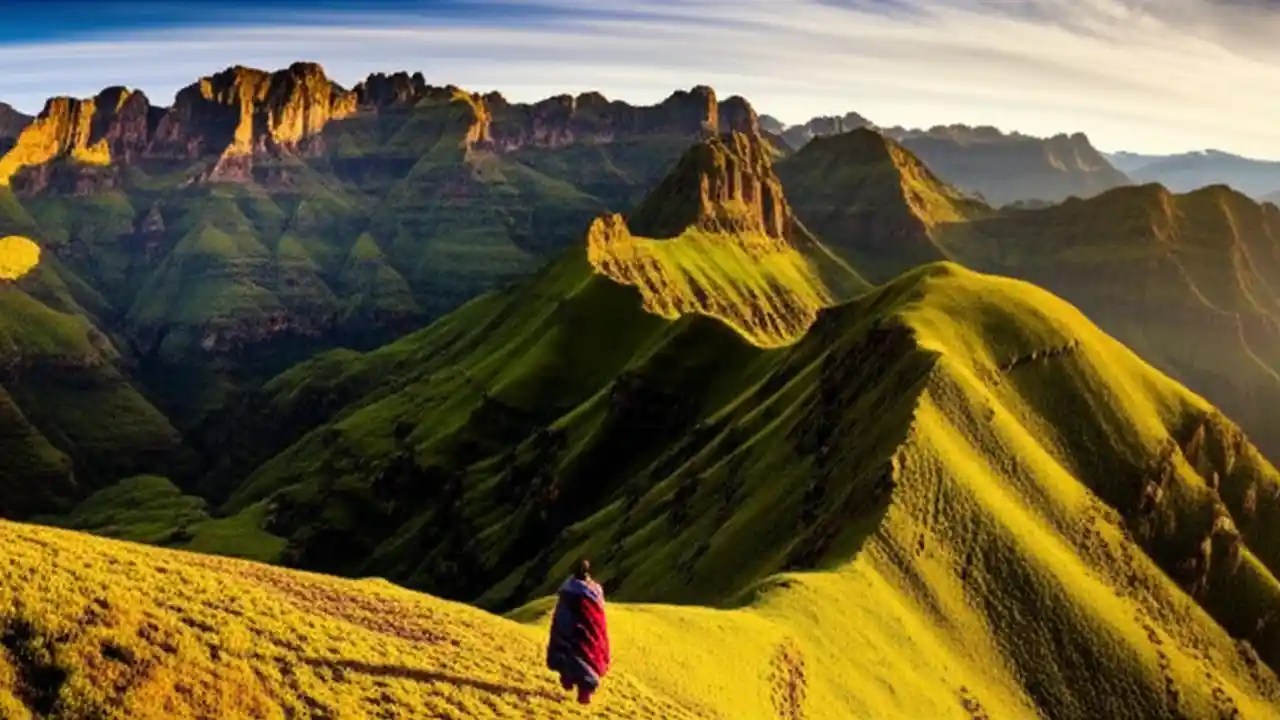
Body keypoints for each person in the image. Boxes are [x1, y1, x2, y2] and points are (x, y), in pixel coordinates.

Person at [546, 559, 611, 704]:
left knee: (568, 652)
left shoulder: (569, 589)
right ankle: (583, 691)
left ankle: (571, 681)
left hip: (573, 628)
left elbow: (563, 613)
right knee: (587, 655)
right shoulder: (595, 589)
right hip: (592, 629)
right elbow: (598, 612)